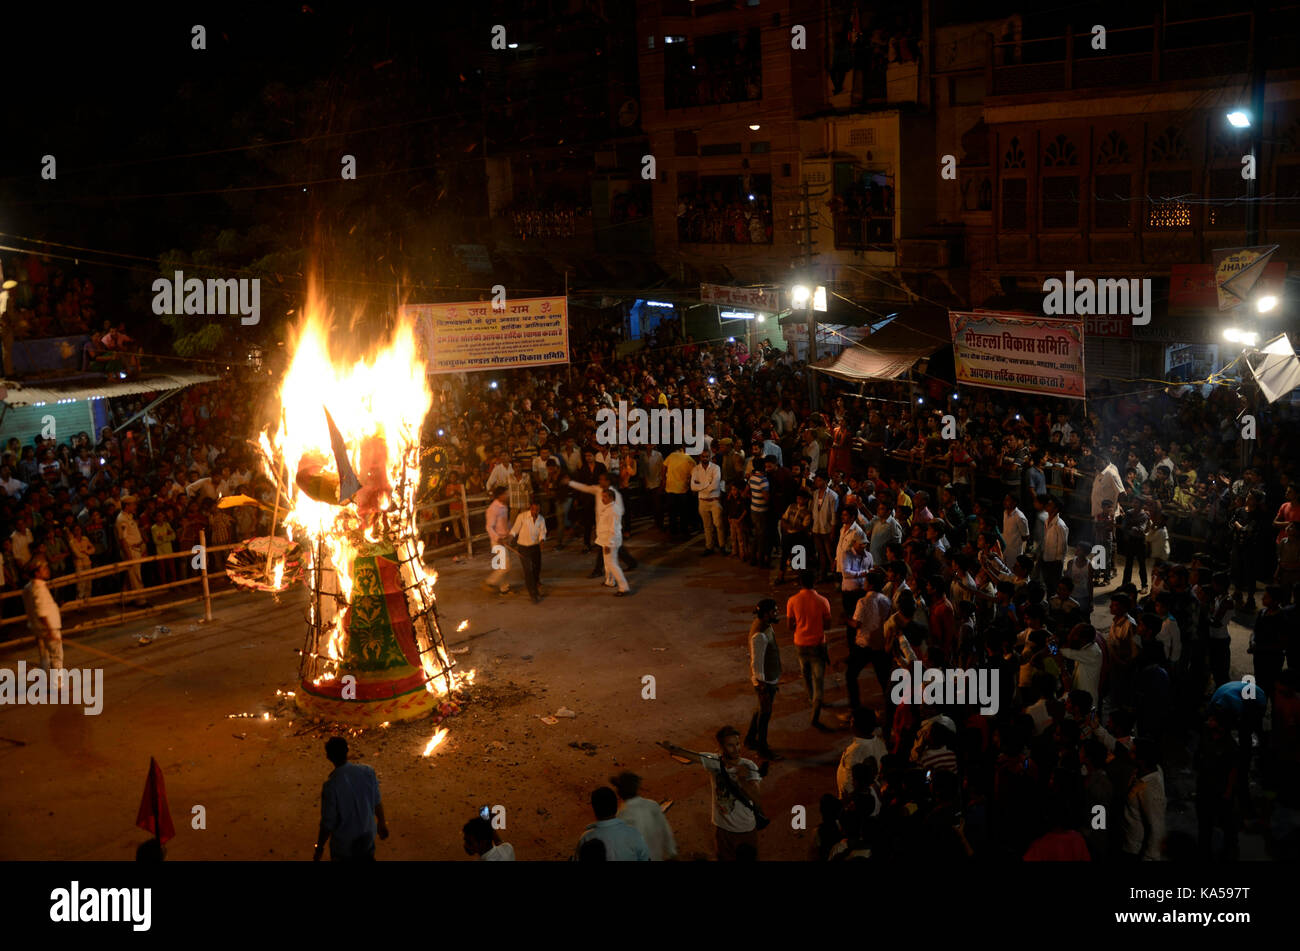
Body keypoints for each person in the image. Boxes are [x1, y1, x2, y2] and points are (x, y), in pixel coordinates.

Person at [660, 727, 764, 861]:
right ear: (721, 746)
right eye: (730, 745)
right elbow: (691, 755)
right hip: (722, 828)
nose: (736, 749)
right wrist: (672, 748)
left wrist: (742, 779)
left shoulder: (749, 766)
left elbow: (757, 798)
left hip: (745, 828)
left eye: (737, 744)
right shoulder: (714, 761)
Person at [314, 736, 388, 861]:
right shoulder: (368, 772)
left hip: (344, 848)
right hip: (367, 840)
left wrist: (319, 847)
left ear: (329, 757)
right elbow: (377, 801)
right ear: (347, 750)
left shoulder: (331, 786)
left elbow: (327, 823)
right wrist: (381, 823)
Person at [786, 569, 832, 730]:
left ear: (800, 583)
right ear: (815, 581)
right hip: (818, 644)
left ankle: (811, 697)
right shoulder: (823, 601)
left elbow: (790, 625)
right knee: (818, 679)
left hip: (800, 643)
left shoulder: (792, 601)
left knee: (805, 673)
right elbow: (827, 625)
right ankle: (816, 711)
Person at [611, 772, 678, 861]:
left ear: (619, 792)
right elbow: (665, 831)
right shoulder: (652, 805)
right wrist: (672, 852)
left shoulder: (621, 815)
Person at [573, 787, 651, 861]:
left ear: (594, 809)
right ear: (616, 807)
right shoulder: (633, 833)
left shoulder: (586, 838)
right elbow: (645, 858)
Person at [746, 598, 782, 758]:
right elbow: (757, 661)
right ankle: (762, 748)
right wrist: (762, 686)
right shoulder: (759, 634)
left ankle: (750, 740)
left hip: (768, 679)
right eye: (774, 610)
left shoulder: (766, 626)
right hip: (764, 682)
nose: (777, 612)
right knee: (764, 714)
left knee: (760, 711)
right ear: (766, 614)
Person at [22, 558, 62, 671]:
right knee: (56, 656)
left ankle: (46, 679)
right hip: (48, 627)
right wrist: (50, 631)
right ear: (36, 573)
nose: (47, 570)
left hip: (37, 627)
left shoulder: (27, 588)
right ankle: (57, 685)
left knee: (44, 656)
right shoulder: (39, 588)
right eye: (43, 569)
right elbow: (41, 612)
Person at [690, 447, 726, 555]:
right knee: (707, 526)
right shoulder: (695, 469)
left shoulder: (716, 468)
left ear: (710, 457)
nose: (705, 458)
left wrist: (700, 485)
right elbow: (692, 487)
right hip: (702, 501)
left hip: (715, 500)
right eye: (703, 456)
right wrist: (707, 484)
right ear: (699, 457)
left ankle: (722, 546)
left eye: (707, 456)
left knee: (718, 524)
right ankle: (709, 547)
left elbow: (714, 486)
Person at [510, 499, 546, 603]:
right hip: (523, 547)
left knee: (536, 569)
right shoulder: (522, 516)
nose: (535, 512)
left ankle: (535, 585)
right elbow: (515, 529)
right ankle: (533, 594)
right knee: (528, 571)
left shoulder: (541, 519)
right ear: (530, 508)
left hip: (535, 547)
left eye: (538, 510)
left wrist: (542, 540)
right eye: (534, 509)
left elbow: (542, 532)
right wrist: (509, 537)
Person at [114, 496, 148, 606]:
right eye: (133, 504)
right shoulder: (122, 519)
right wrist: (128, 555)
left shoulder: (129, 516)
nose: (135, 506)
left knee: (130, 576)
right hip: (131, 550)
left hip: (137, 548)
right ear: (127, 505)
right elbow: (122, 539)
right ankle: (141, 600)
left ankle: (125, 599)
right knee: (136, 576)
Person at [483, 485, 515, 595]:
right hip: (498, 541)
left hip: (504, 539)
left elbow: (506, 523)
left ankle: (504, 589)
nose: (508, 495)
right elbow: (489, 527)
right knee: (505, 566)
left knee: (504, 566)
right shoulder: (493, 509)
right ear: (500, 495)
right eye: (506, 494)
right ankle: (490, 582)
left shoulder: (504, 506)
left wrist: (510, 534)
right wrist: (497, 538)